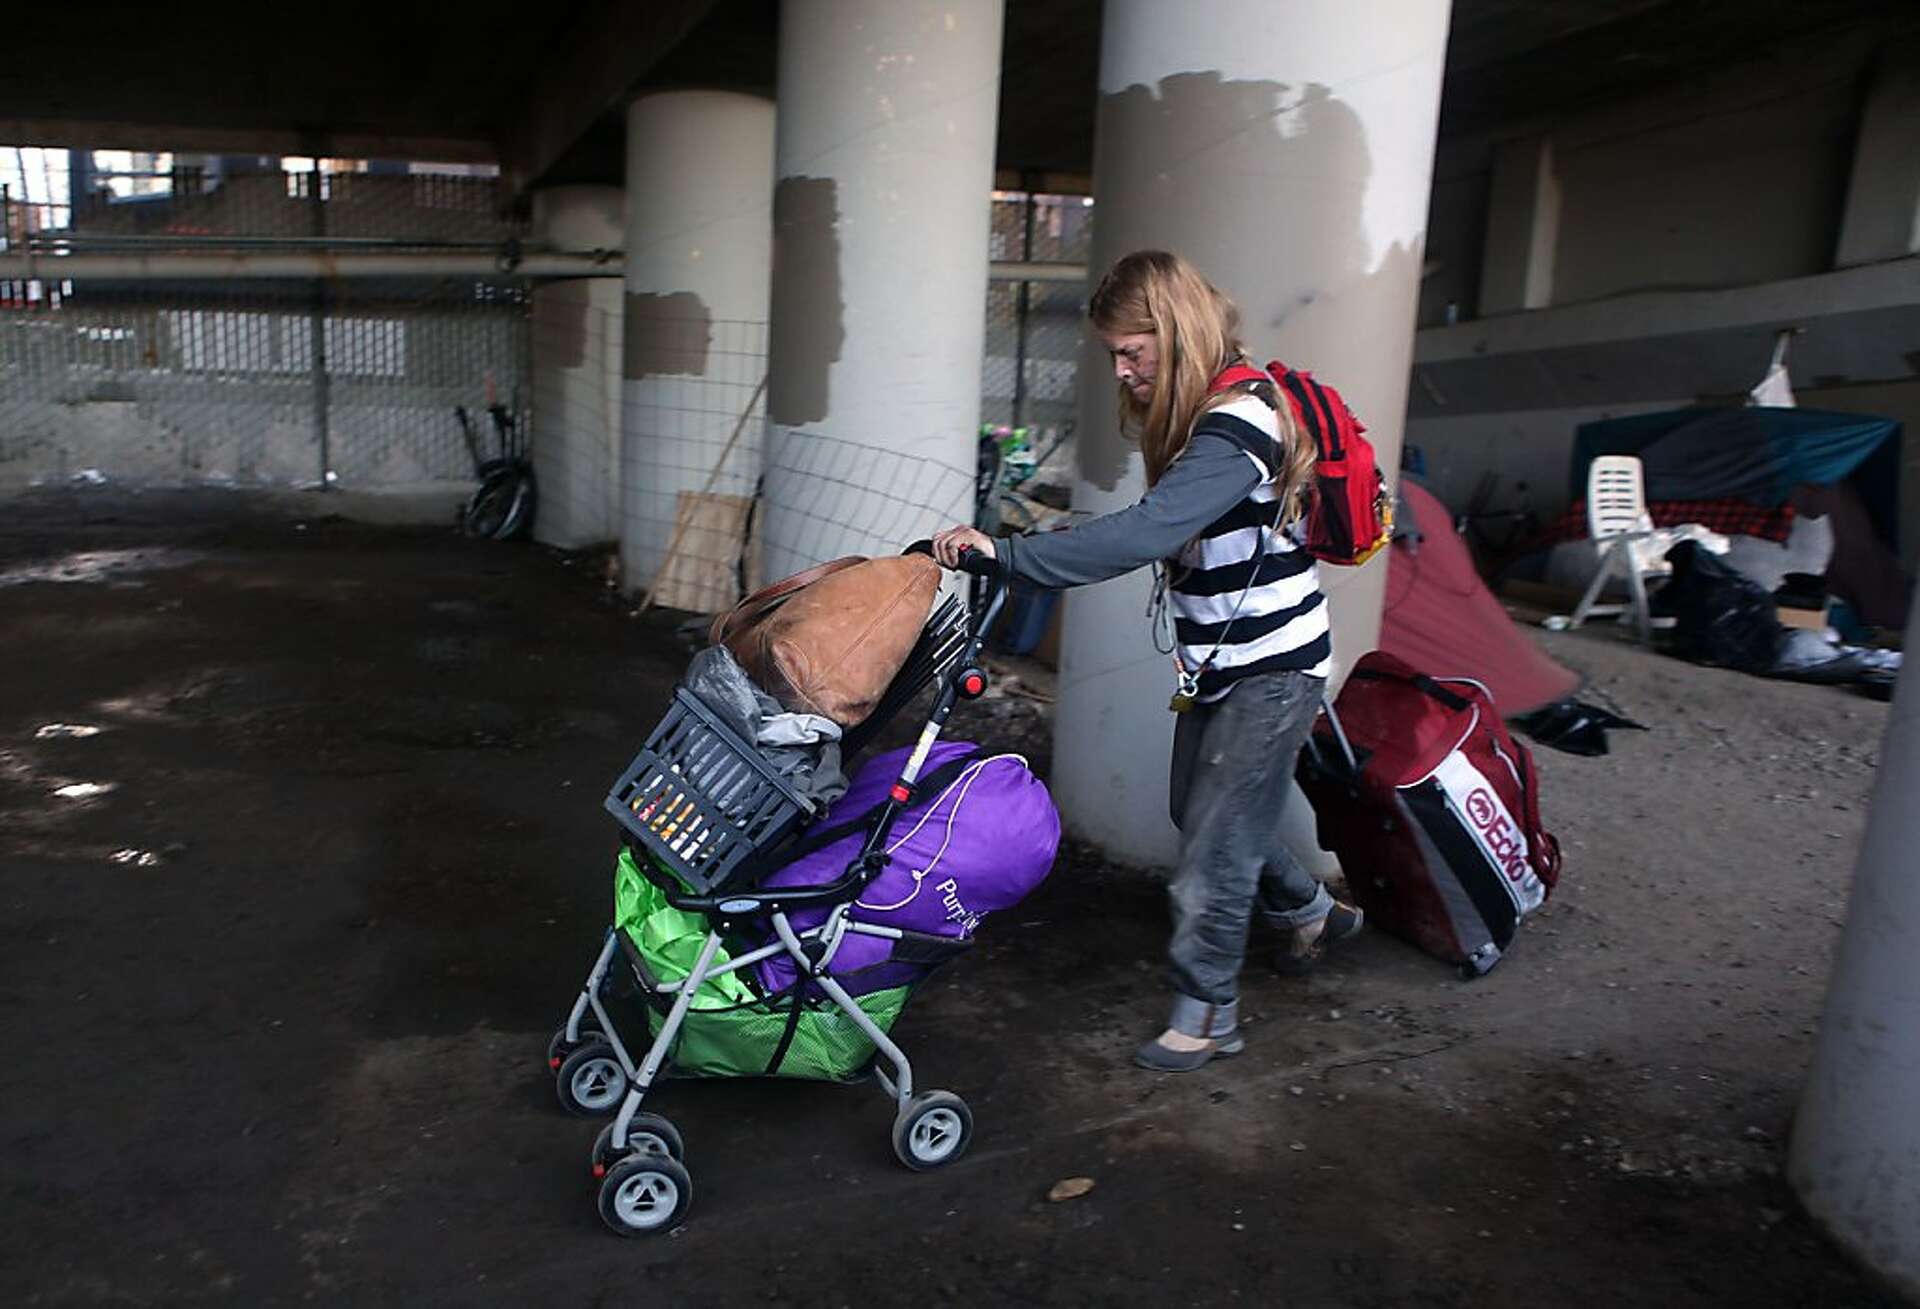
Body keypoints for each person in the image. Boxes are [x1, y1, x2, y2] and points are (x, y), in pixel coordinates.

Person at [932, 250, 1363, 1073]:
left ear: (1178, 331)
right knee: (1192, 811)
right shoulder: (1206, 412)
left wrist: (1010, 555)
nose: (1122, 370)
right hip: (1225, 659)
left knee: (1213, 850)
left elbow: (1145, 532)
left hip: (1274, 665)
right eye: (1114, 355)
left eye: (1134, 351)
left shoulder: (1242, 420)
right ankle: (1312, 908)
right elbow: (1157, 525)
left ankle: (1206, 1015)